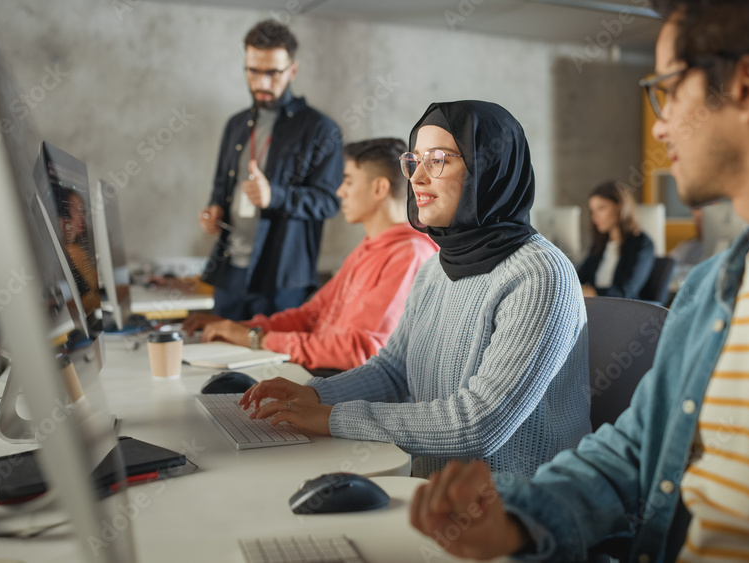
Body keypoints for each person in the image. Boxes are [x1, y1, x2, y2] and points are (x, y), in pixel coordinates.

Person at [409, 1, 749, 561]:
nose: (660, 124)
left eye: (666, 88)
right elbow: (637, 449)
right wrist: (519, 516)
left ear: (746, 86)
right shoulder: (713, 286)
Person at [239, 101, 591, 479]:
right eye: (415, 161)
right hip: (432, 491)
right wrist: (316, 394)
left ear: (488, 168)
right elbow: (393, 372)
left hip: (516, 508)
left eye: (439, 160)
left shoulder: (539, 274)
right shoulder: (433, 270)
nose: (417, 178)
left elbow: (478, 424)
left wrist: (332, 417)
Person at [183, 138, 438, 372]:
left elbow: (358, 351)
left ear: (379, 188)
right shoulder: (370, 246)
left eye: (348, 181)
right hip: (319, 372)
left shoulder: (410, 255)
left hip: (343, 389)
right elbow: (311, 316)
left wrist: (256, 340)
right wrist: (240, 328)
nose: (340, 192)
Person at [198, 19, 343, 320]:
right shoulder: (235, 125)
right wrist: (214, 210)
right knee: (221, 361)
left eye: (272, 73)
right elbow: (220, 187)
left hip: (282, 279)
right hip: (230, 272)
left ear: (293, 70)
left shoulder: (321, 129)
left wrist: (274, 196)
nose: (262, 83)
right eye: (253, 71)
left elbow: (329, 202)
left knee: (275, 366)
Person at [577, 181, 655, 299]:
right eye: (592, 211)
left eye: (601, 208)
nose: (595, 216)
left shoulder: (642, 244)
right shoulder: (600, 244)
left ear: (619, 207)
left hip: (623, 311)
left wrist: (591, 292)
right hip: (597, 307)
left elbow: (625, 291)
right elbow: (579, 277)